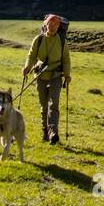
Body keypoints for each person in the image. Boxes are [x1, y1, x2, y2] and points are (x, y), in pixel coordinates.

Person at [22, 14, 71, 144]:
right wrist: (27, 68)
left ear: (59, 26)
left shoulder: (62, 41)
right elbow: (31, 56)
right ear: (46, 25)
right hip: (40, 76)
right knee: (44, 106)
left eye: (56, 24)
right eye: (51, 24)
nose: (53, 26)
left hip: (55, 76)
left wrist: (67, 75)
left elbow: (66, 59)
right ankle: (45, 131)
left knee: (53, 105)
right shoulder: (38, 40)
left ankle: (53, 132)